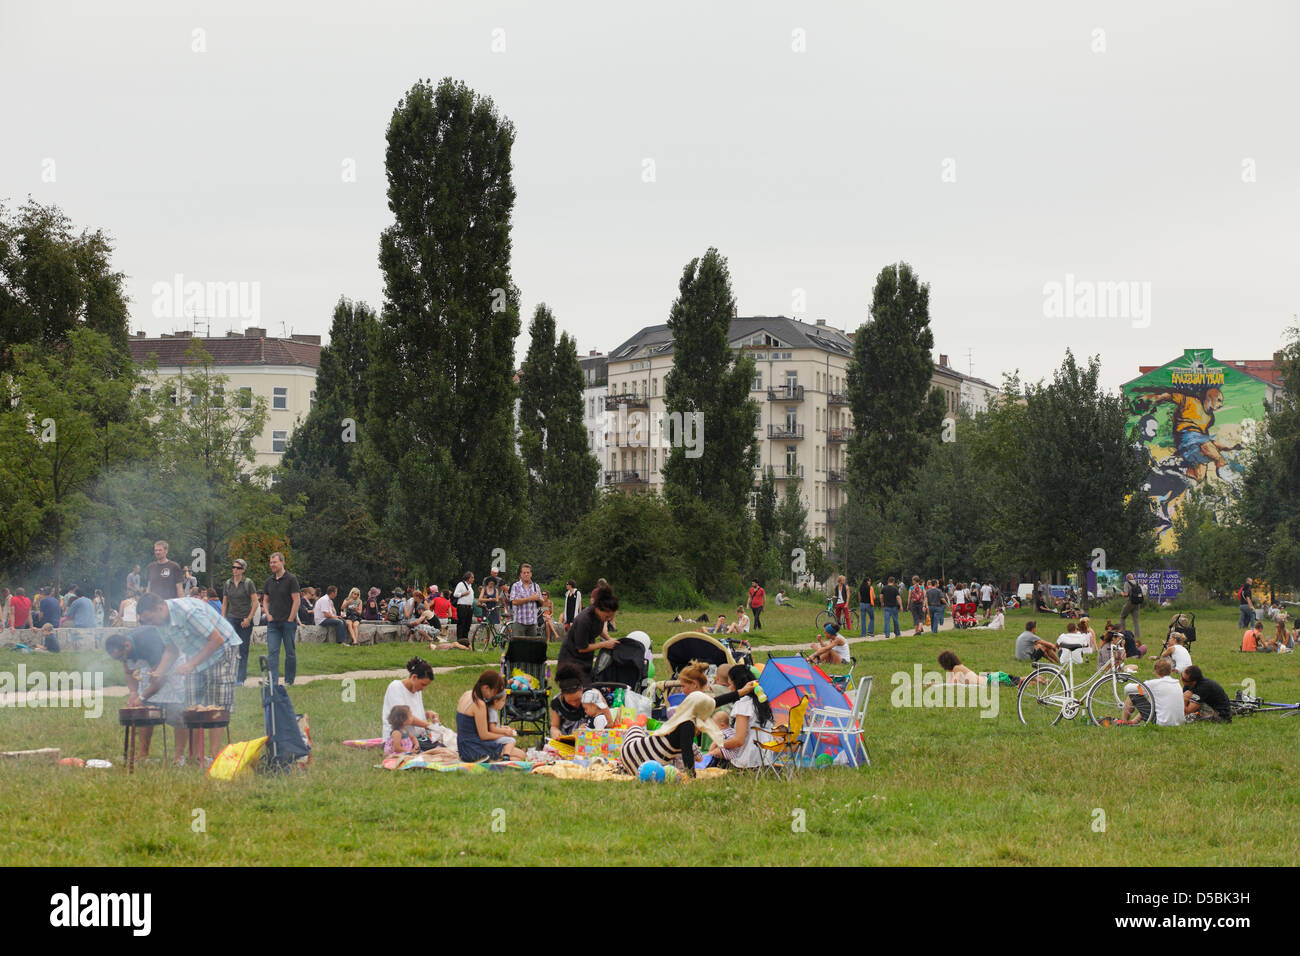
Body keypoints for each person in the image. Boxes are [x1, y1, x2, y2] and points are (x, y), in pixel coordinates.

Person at [135, 593, 242, 760]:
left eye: (150, 619)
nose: (150, 624)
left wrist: (191, 664)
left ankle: (214, 757)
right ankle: (195, 757)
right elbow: (172, 649)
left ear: (160, 608)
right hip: (197, 653)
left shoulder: (188, 612)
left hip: (222, 651)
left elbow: (216, 640)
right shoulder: (161, 622)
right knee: (192, 706)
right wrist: (159, 672)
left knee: (217, 705)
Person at [106, 628, 189, 763]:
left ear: (127, 645)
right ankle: (143, 755)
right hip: (151, 669)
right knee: (144, 712)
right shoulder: (126, 649)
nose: (122, 660)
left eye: (122, 657)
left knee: (177, 713)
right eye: (118, 659)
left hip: (171, 667)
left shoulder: (149, 644)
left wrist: (142, 697)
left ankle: (179, 757)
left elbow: (160, 680)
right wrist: (134, 693)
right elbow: (128, 672)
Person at [380, 657, 456, 754]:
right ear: (414, 677)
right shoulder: (395, 687)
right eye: (423, 684)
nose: (423, 688)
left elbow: (413, 715)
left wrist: (427, 714)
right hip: (401, 740)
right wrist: (428, 725)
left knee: (445, 746)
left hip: (416, 738)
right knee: (441, 750)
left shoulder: (416, 690)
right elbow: (404, 717)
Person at [456, 670, 528, 761]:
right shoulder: (479, 704)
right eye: (495, 692)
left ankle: (494, 759)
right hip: (473, 748)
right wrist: (504, 734)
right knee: (521, 756)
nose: (495, 695)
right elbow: (484, 735)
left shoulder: (467, 694)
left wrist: (501, 730)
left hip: (463, 746)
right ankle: (492, 761)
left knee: (516, 753)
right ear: (486, 688)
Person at [711, 664, 772, 770]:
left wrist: (719, 744)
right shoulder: (761, 701)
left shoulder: (743, 704)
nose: (729, 688)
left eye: (730, 684)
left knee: (714, 758)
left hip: (749, 760)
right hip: (767, 758)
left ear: (736, 684)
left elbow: (739, 741)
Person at [558, 586, 619, 685]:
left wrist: (609, 638)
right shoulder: (584, 620)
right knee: (577, 692)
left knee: (588, 689)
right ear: (599, 609)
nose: (608, 619)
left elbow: (597, 629)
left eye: (611, 617)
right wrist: (604, 644)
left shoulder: (598, 615)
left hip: (584, 661)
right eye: (607, 616)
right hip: (571, 661)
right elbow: (582, 648)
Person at [262, 551, 301, 686]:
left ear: (282, 562)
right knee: (272, 651)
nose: (272, 564)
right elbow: (265, 600)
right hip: (273, 623)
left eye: (275, 562)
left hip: (287, 622)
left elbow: (296, 600)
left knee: (289, 652)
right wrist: (267, 614)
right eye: (271, 562)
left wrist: (291, 618)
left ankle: (289, 680)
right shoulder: (269, 581)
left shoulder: (291, 579)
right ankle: (272, 680)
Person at [1118, 658, 1185, 726]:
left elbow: (1128, 689)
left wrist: (1138, 690)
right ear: (1170, 671)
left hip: (1162, 723)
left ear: (1156, 671)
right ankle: (1134, 721)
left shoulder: (1154, 684)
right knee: (1152, 699)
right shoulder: (1176, 683)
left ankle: (1124, 722)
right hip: (1179, 722)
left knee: (1132, 695)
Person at [220, 559, 257, 684]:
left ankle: (240, 678)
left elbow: (256, 603)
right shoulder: (227, 583)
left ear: (243, 570)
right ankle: (230, 675)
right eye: (233, 567)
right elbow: (225, 603)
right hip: (231, 618)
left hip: (244, 619)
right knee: (229, 648)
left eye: (238, 568)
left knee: (243, 649)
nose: (235, 570)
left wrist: (249, 618)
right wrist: (222, 620)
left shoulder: (248, 583)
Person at [549, 664, 587, 737]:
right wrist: (555, 732)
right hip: (566, 742)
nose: (574, 704)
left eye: (577, 700)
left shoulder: (591, 696)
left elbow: (607, 723)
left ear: (582, 688)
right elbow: (554, 726)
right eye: (569, 701)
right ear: (562, 694)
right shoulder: (557, 702)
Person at [509, 564, 544, 637]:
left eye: (528, 572)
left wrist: (538, 599)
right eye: (524, 573)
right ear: (521, 574)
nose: (526, 574)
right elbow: (514, 602)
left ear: (531, 574)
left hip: (533, 623)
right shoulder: (516, 586)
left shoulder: (536, 586)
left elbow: (542, 603)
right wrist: (530, 598)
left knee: (531, 647)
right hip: (519, 622)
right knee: (519, 646)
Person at [452, 572, 475, 648]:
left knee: (467, 625)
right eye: (472, 578)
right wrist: (464, 594)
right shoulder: (461, 584)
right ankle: (459, 641)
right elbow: (455, 594)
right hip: (462, 607)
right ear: (468, 578)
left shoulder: (470, 586)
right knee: (461, 624)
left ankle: (465, 641)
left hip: (469, 607)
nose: (473, 579)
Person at [1119, 573, 1144, 642]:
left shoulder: (1127, 583)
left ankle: (1122, 634)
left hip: (1130, 602)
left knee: (1122, 617)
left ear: (1127, 578)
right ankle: (1138, 637)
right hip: (1137, 603)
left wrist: (1122, 593)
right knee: (1136, 620)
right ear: (1133, 577)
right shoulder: (1137, 583)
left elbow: (1126, 594)